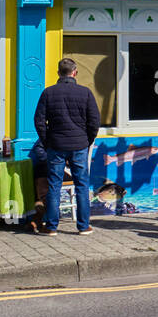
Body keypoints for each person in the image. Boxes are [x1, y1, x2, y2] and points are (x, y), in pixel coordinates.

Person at [33, 58, 102, 236]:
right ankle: (83, 226)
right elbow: (94, 121)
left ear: (58, 73)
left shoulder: (48, 93)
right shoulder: (85, 93)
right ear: (75, 72)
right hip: (79, 144)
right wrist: (87, 140)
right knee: (82, 185)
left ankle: (51, 226)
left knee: (54, 185)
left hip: (56, 145)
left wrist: (47, 141)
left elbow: (39, 121)